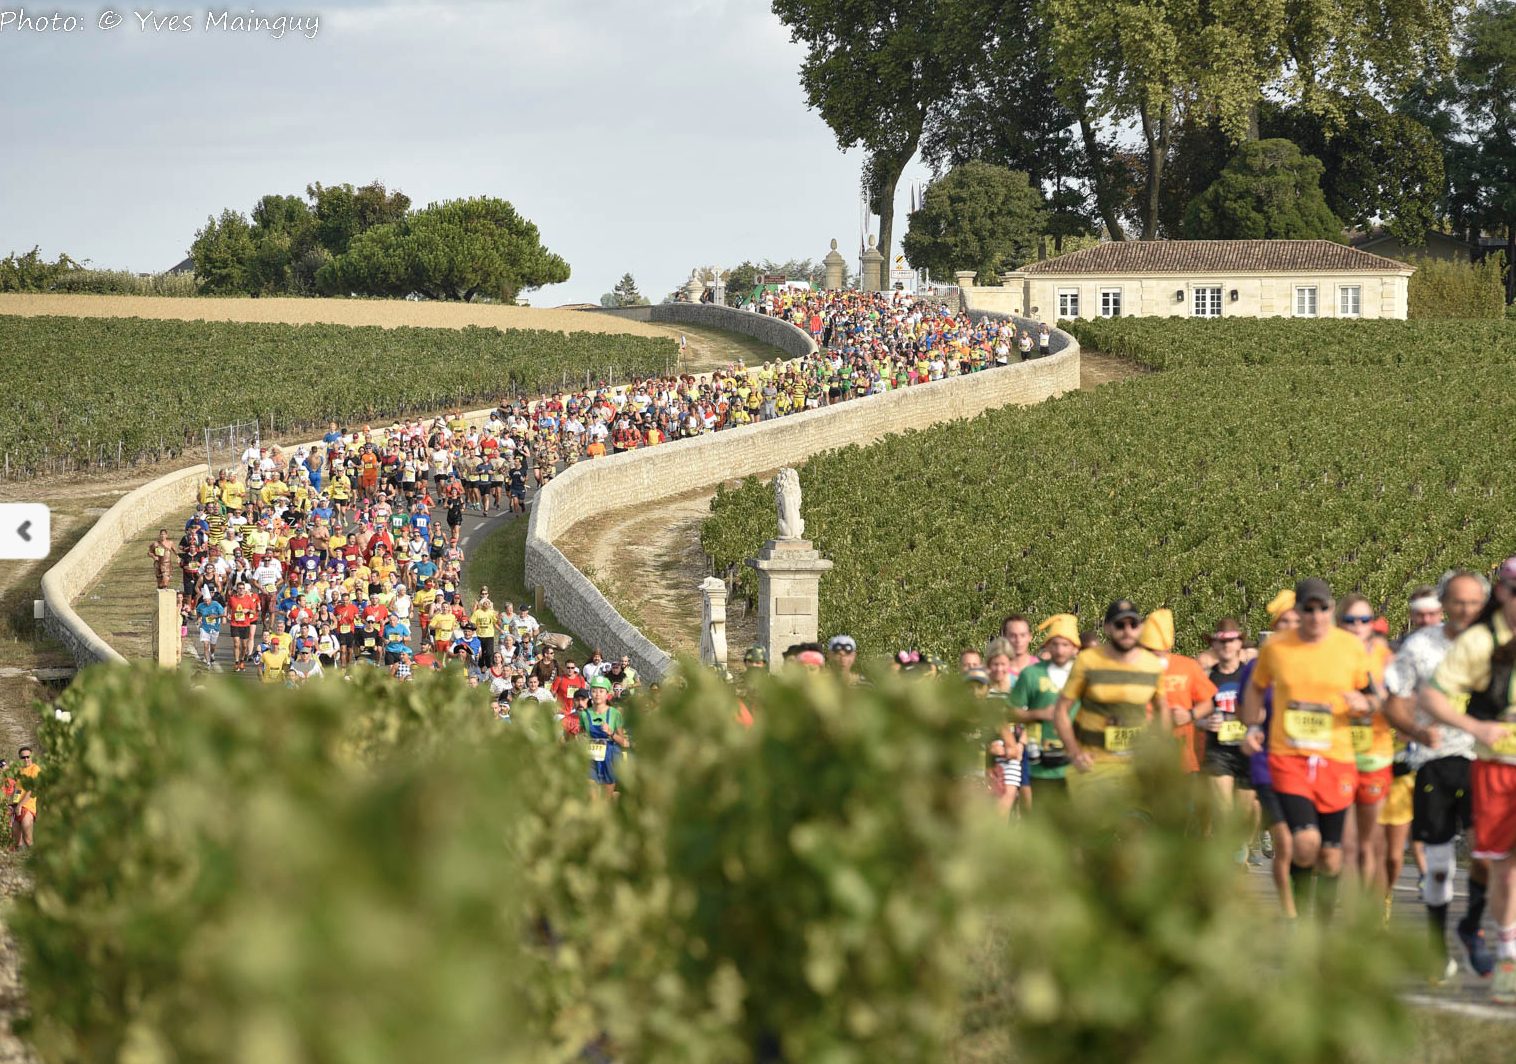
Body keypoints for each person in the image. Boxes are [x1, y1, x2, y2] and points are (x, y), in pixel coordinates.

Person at [1241, 577, 1381, 925]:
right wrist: (1252, 724)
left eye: (1323, 609)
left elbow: (1374, 697)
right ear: (1299, 612)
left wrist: (1362, 702)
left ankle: (1320, 927)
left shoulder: (1348, 648)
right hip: (1289, 758)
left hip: (1336, 759)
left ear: (1331, 610)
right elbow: (1256, 689)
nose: (1317, 616)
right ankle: (1303, 924)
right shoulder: (1277, 649)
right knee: (1304, 843)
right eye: (1309, 609)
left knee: (1331, 857)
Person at [1382, 570, 1494, 981]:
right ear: (1443, 605)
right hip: (1435, 761)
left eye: (1473, 603)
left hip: (1485, 759)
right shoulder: (1419, 647)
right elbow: (1392, 702)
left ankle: (1471, 926)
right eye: (1458, 602)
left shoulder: (1496, 645)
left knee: (1486, 851)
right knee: (1441, 863)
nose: (1465, 609)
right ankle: (1435, 947)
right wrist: (1415, 730)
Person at [1420, 557, 1516, 1004]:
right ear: (1503, 594)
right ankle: (1508, 957)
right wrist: (1477, 728)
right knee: (1503, 867)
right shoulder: (1480, 642)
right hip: (1494, 766)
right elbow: (1431, 695)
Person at [1052, 599, 1169, 806]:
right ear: (1107, 627)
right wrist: (1074, 752)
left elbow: (1163, 710)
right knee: (1095, 834)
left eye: (1132, 624)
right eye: (1119, 625)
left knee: (1136, 832)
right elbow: (1061, 710)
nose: (1127, 631)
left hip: (1135, 766)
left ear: (1140, 628)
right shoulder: (1087, 661)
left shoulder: (1152, 666)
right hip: (1093, 766)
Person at [1241, 593, 1303, 917]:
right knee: (1287, 844)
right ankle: (1292, 915)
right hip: (1268, 763)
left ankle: (1305, 902)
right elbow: (1245, 710)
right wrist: (1254, 725)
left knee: (1308, 846)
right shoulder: (1256, 666)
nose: (1291, 628)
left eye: (1295, 622)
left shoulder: (1314, 661)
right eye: (1284, 623)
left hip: (1307, 762)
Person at [1200, 617, 1259, 855]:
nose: (1226, 646)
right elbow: (1196, 713)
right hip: (1218, 751)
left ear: (1239, 644)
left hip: (1245, 749)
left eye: (1231, 640)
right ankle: (1229, 859)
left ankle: (1240, 848)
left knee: (1243, 813)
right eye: (1220, 641)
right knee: (1223, 810)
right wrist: (1205, 721)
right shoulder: (1206, 678)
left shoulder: (1251, 676)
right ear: (1213, 645)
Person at [1009, 614, 1081, 800]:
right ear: (1047, 645)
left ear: (1075, 648)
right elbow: (1010, 712)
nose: (1060, 650)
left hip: (1076, 762)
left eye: (1065, 645)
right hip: (1041, 764)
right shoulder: (1031, 674)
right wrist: (1039, 713)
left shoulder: (1083, 675)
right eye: (1055, 644)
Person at [579, 675, 629, 798]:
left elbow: (624, 742)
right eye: (594, 690)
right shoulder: (584, 714)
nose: (597, 694)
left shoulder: (615, 714)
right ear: (590, 693)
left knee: (606, 800)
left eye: (601, 691)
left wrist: (611, 733)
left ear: (607, 694)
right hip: (591, 758)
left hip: (610, 756)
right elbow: (581, 735)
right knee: (592, 797)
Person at [11, 747, 40, 850]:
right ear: (20, 758)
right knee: (15, 841)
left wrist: (20, 805)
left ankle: (38, 861)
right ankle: (17, 864)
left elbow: (31, 790)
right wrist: (14, 805)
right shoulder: (19, 771)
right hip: (18, 807)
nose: (26, 759)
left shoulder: (35, 768)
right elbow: (18, 790)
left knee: (28, 840)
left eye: (28, 756)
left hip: (27, 806)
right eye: (23, 757)